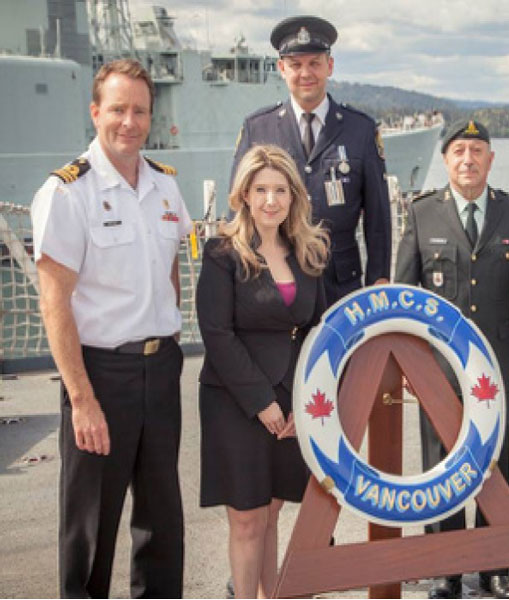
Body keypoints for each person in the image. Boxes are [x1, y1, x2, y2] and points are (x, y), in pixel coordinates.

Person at [31, 58, 190, 598]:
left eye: (140, 110)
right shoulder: (68, 192)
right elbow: (54, 301)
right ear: (96, 111)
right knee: (91, 527)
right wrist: (81, 398)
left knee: (161, 521)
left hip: (160, 368)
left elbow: (167, 271)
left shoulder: (166, 187)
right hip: (101, 373)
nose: (130, 121)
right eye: (118, 109)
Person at [395, 120, 509, 600]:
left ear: (491, 159)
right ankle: (448, 567)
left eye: (477, 151)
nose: (468, 159)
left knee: (492, 463)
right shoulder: (422, 214)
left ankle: (495, 567)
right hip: (437, 364)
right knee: (442, 463)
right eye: (458, 150)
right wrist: (409, 367)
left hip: (496, 361)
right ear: (446, 159)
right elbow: (404, 297)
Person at [196, 144, 328, 599]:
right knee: (248, 518)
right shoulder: (221, 254)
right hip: (235, 400)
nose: (271, 200)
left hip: (289, 401)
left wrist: (298, 403)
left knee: (272, 512)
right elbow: (217, 334)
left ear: (294, 197)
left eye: (280, 190)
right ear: (244, 195)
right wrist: (262, 402)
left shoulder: (308, 253)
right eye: (261, 190)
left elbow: (316, 331)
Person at [230, 15, 390, 305]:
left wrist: (378, 281)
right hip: (276, 279)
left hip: (341, 284)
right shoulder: (258, 128)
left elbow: (378, 218)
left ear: (329, 66)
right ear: (281, 69)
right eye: (295, 65)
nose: (306, 73)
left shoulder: (361, 130)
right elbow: (237, 210)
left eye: (314, 63)